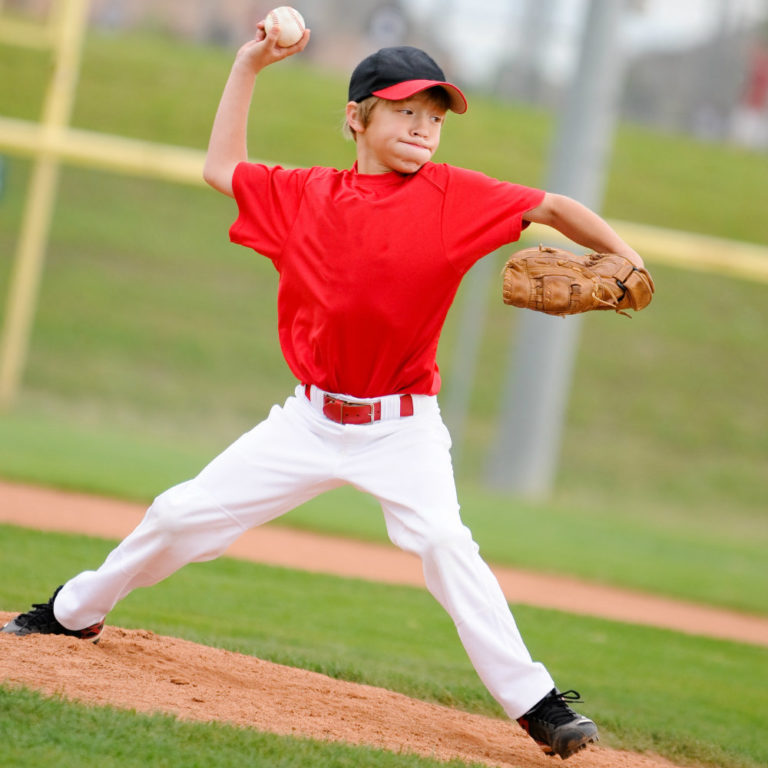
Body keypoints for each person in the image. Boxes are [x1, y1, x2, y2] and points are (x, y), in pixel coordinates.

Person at [3, 20, 646, 760]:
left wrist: (626, 258)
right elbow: (222, 167)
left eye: (435, 116)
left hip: (402, 426)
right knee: (180, 514)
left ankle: (537, 704)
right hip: (307, 421)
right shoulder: (304, 196)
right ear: (356, 117)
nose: (424, 127)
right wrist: (249, 64)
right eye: (405, 110)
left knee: (442, 540)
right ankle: (73, 611)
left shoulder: (454, 196)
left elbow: (554, 206)